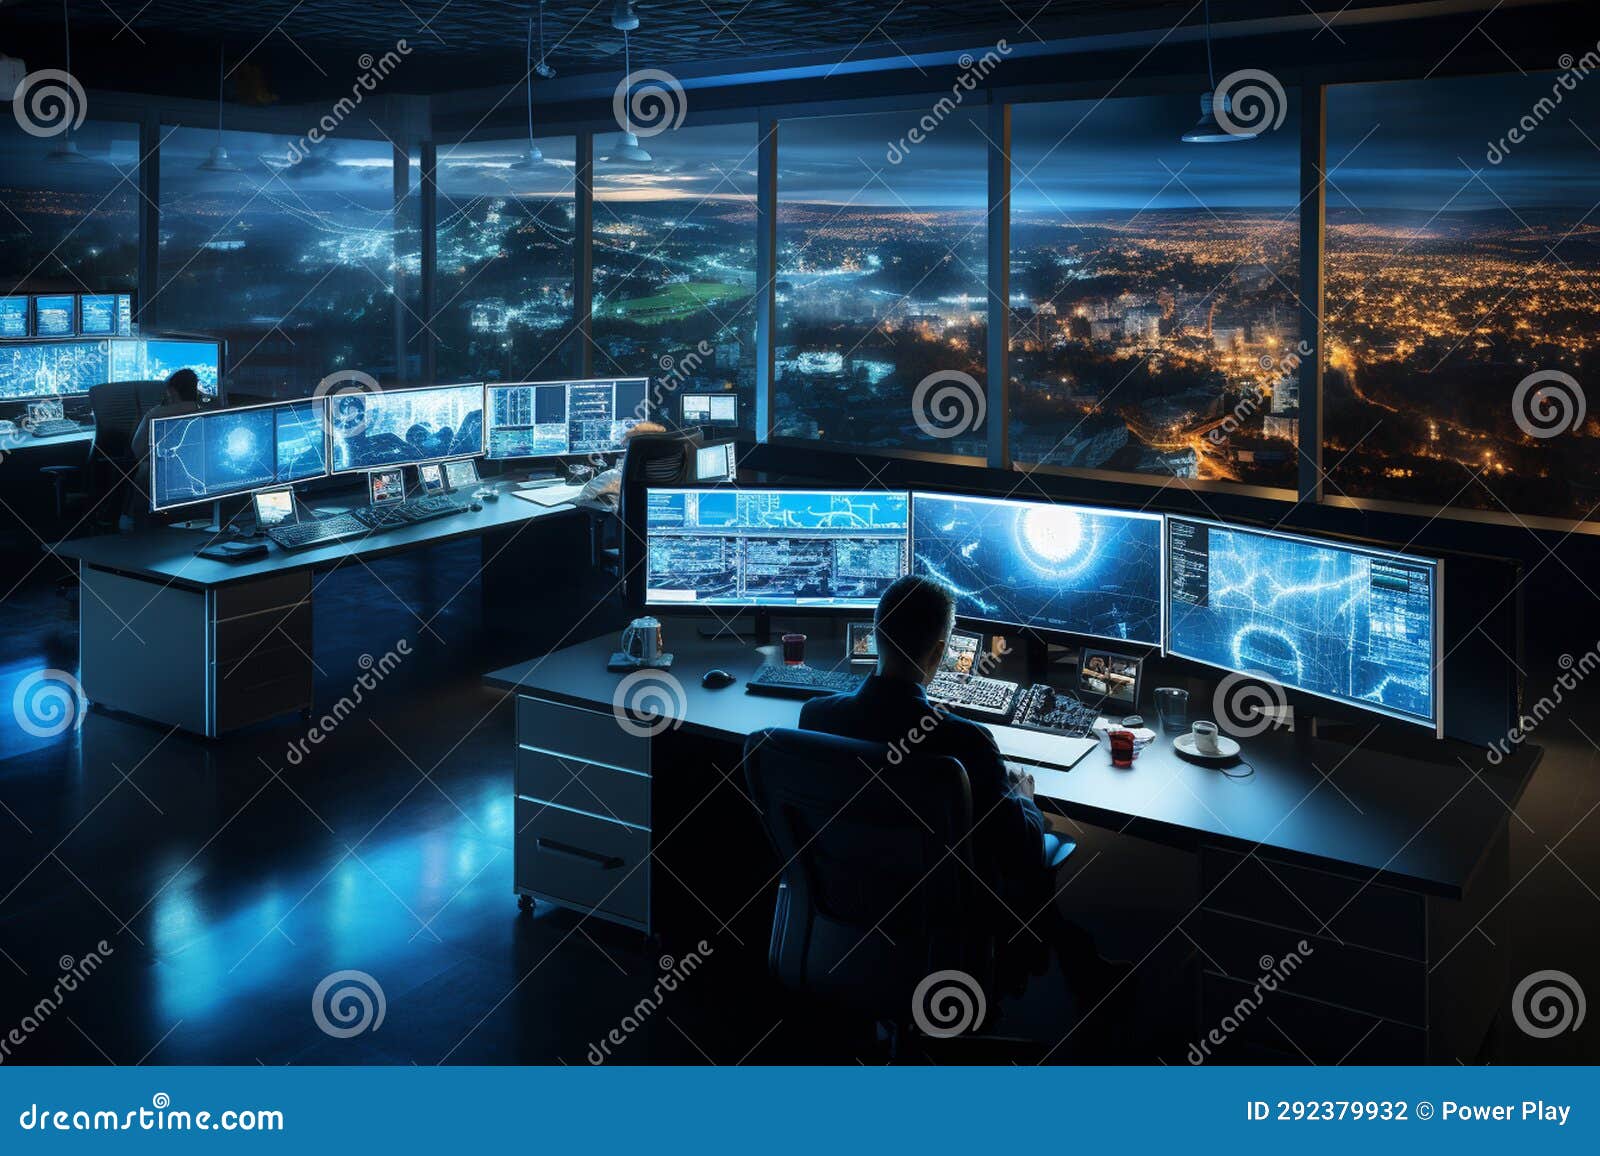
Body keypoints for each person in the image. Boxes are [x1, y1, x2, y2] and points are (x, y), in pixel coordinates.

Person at [799, 574, 1048, 891]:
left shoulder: (816, 717)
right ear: (938, 652)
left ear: (876, 636)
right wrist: (1024, 801)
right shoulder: (968, 742)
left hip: (845, 903)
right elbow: (1022, 857)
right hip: (940, 924)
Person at [127, 369, 203, 522]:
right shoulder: (204, 411)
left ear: (172, 391)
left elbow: (137, 449)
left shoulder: (155, 414)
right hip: (197, 474)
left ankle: (128, 523)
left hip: (158, 477)